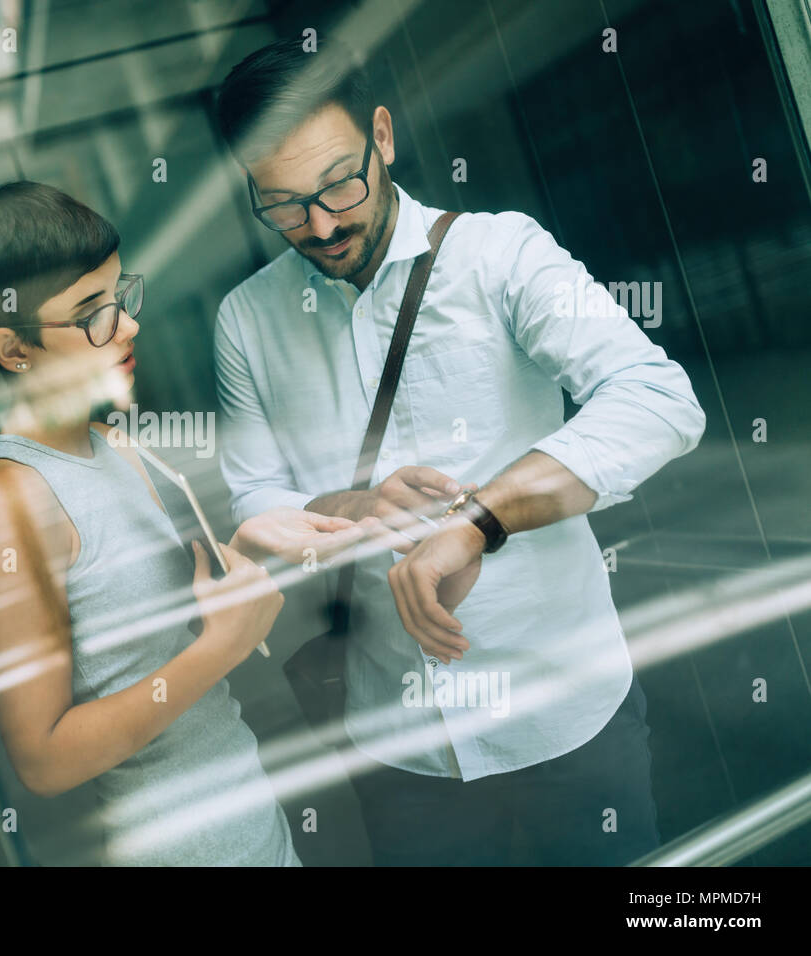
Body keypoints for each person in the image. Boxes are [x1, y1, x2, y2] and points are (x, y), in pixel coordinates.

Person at [211, 37, 707, 865]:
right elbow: (253, 498)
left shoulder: (500, 254)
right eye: (286, 205)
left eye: (340, 182)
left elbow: (657, 401)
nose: (324, 223)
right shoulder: (246, 321)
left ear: (382, 135)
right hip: (395, 737)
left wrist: (478, 520)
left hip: (564, 709)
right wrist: (349, 507)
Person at [0, 181, 360, 865]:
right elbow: (45, 759)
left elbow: (142, 636)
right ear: (15, 351)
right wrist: (220, 647)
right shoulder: (11, 496)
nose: (128, 325)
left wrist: (244, 547)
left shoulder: (117, 443)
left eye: (120, 297)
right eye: (91, 314)